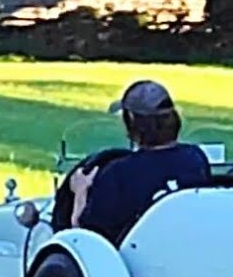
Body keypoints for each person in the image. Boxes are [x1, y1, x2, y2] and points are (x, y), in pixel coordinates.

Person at [68, 79, 211, 242]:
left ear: (131, 120)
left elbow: (86, 238)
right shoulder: (195, 158)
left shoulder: (118, 173)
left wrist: (80, 192)